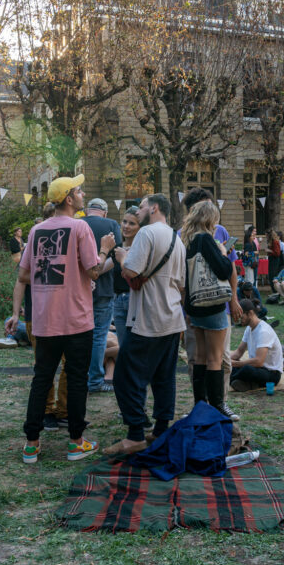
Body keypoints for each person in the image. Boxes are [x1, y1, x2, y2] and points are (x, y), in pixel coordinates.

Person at [8, 174, 116, 464]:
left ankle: (31, 444)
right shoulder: (80, 227)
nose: (83, 195)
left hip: (45, 318)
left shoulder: (36, 231)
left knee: (41, 378)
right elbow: (94, 271)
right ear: (69, 199)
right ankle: (76, 443)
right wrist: (105, 248)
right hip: (76, 319)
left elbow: (23, 274)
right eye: (79, 191)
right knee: (77, 379)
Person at [107, 193, 186, 456]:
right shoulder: (176, 238)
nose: (138, 211)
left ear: (153, 208)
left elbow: (130, 271)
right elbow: (181, 284)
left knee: (125, 376)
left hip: (149, 317)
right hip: (172, 317)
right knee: (164, 376)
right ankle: (161, 429)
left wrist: (122, 257)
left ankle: (135, 435)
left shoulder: (147, 233)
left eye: (141, 207)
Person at [178, 187, 242, 421]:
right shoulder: (206, 239)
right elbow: (224, 270)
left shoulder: (187, 240)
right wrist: (223, 252)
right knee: (215, 358)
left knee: (200, 358)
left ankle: (199, 405)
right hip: (213, 306)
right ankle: (217, 406)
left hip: (194, 306)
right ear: (209, 218)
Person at [82, 197, 122, 394]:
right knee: (99, 335)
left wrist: (88, 274)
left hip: (79, 290)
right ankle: (95, 380)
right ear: (105, 212)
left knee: (80, 335)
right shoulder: (111, 224)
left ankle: (80, 376)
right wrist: (98, 272)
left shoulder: (77, 224)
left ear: (87, 210)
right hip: (104, 290)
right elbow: (118, 256)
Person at [229, 299, 284, 392]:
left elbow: (259, 362)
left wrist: (235, 364)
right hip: (256, 368)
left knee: (246, 368)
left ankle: (230, 379)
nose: (239, 319)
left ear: (250, 313)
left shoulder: (264, 331)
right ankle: (247, 383)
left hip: (271, 374)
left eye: (241, 316)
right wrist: (225, 360)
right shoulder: (249, 328)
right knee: (231, 365)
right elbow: (238, 352)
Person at [111, 207, 140, 358]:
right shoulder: (117, 248)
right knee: (123, 346)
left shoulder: (140, 248)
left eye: (132, 223)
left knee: (135, 345)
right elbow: (100, 269)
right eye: (124, 222)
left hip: (134, 299)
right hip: (117, 301)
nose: (126, 226)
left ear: (140, 227)